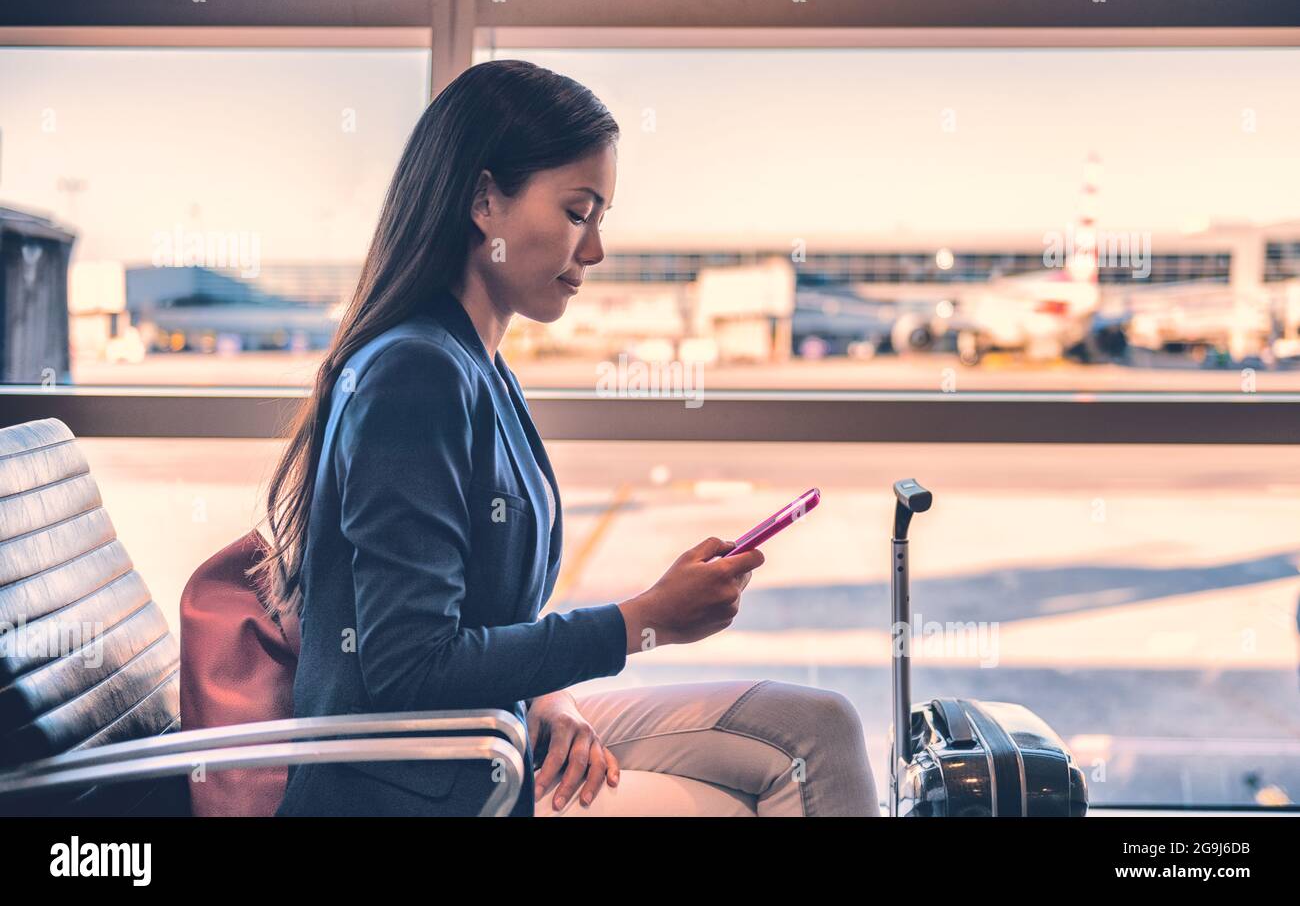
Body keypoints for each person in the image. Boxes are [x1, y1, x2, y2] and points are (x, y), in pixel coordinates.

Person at [256, 59, 879, 816]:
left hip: (495, 731)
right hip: (418, 786)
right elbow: (407, 667)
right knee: (753, 793)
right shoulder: (414, 374)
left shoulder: (478, 365)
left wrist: (552, 697)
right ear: (484, 200)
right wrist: (642, 621)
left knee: (815, 728)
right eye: (579, 213)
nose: (595, 252)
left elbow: (480, 621)